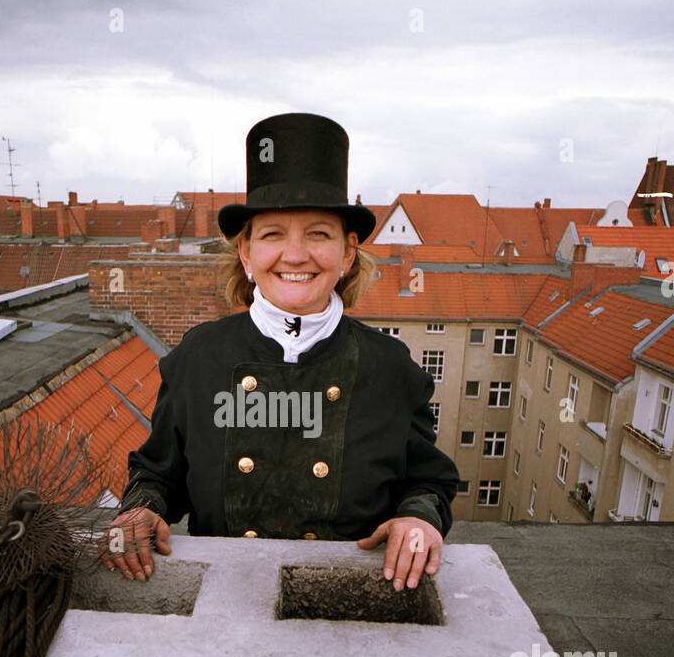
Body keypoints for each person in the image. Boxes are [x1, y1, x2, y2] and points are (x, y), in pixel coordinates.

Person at [101, 113, 459, 592]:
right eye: (272, 234)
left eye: (318, 234)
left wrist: (419, 518)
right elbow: (158, 472)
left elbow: (428, 481)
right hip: (226, 603)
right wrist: (141, 509)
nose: (295, 255)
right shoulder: (199, 358)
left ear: (347, 253)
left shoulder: (391, 369)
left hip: (349, 606)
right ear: (247, 254)